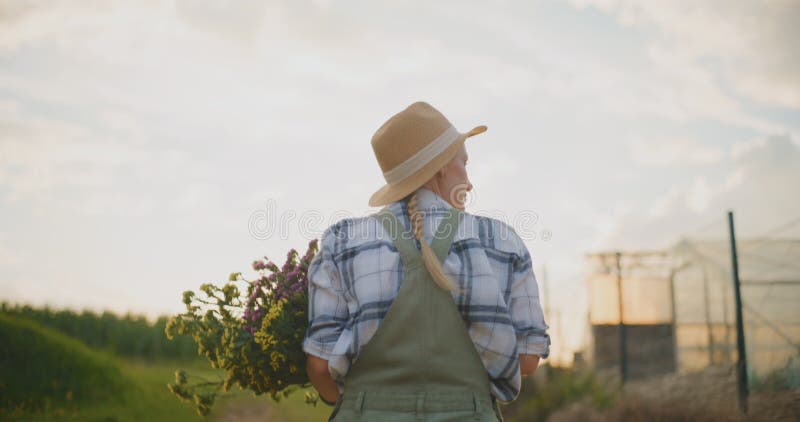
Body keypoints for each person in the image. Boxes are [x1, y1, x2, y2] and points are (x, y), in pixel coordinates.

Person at [303, 101, 550, 421]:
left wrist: (366, 404)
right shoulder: (500, 241)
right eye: (465, 164)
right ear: (443, 166)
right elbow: (529, 359)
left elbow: (320, 365)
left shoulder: (343, 241)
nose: (470, 181)